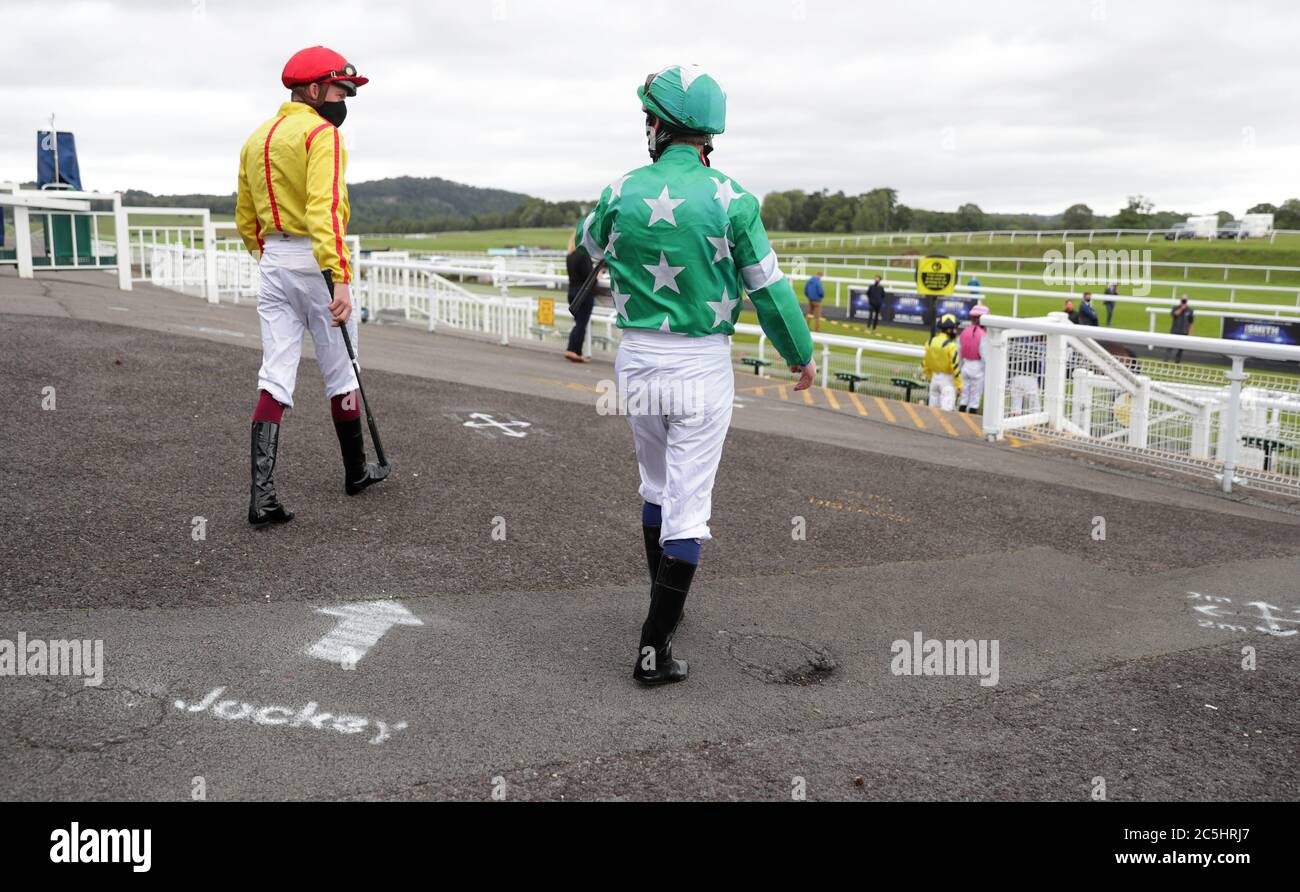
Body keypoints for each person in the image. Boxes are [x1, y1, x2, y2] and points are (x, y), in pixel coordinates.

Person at [575, 64, 815, 686]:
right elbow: (771, 291)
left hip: (637, 360)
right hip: (701, 365)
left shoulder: (620, 190)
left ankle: (663, 609)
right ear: (708, 135)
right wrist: (799, 353)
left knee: (655, 485)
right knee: (691, 507)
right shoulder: (735, 199)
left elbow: (585, 247)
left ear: (658, 126)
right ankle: (654, 646)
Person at [235, 46, 389, 526]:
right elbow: (325, 211)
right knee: (342, 371)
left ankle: (262, 497)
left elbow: (244, 217)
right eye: (341, 90)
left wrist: (269, 258)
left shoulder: (256, 139)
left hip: (274, 261)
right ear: (315, 89)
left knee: (274, 373)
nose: (344, 100)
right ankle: (356, 471)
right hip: (317, 263)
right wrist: (338, 278)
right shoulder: (323, 136)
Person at [563, 230, 595, 363]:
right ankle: (575, 351)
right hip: (583, 294)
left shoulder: (570, 255)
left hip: (571, 292)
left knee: (578, 323)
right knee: (582, 324)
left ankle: (571, 349)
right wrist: (596, 275)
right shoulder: (583, 255)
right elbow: (589, 277)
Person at [923, 313, 963, 411]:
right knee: (946, 413)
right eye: (954, 328)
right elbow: (955, 366)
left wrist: (929, 376)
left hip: (934, 380)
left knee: (932, 411)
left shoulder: (930, 342)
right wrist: (959, 384)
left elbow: (925, 363)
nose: (955, 331)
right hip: (947, 381)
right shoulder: (951, 345)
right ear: (949, 330)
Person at [957, 305, 989, 413]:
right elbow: (984, 355)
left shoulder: (964, 331)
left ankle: (960, 416)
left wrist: (960, 367)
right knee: (975, 398)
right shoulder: (983, 334)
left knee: (964, 395)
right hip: (978, 368)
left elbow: (959, 352)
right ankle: (972, 417)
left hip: (965, 366)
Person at [1168, 296, 1195, 363]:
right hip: (1175, 330)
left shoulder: (1190, 310)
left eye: (1185, 301)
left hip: (1184, 331)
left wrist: (1190, 333)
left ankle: (1177, 362)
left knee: (1180, 349)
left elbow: (1191, 323)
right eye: (1183, 300)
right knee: (1169, 346)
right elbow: (1175, 314)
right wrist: (1181, 308)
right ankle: (1165, 360)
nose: (1183, 302)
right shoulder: (1175, 308)